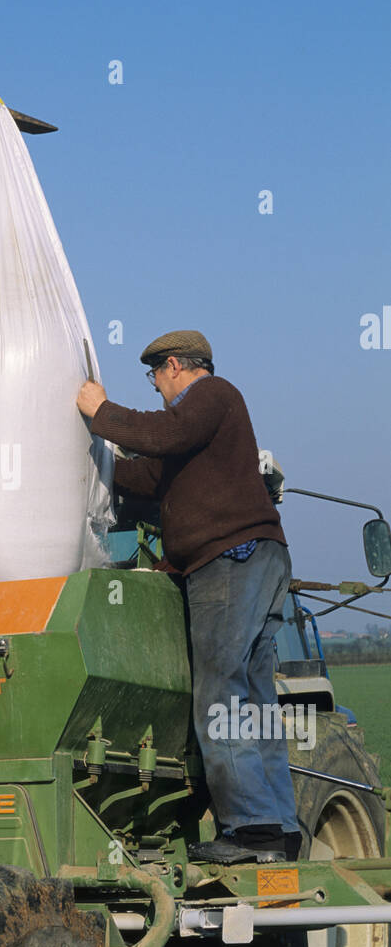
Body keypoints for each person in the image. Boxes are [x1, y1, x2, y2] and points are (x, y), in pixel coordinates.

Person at [77, 329, 300, 863]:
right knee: (255, 699)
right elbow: (149, 474)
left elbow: (162, 433)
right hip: (257, 557)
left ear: (175, 365)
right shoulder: (201, 435)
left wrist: (99, 411)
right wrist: (95, 469)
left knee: (220, 695)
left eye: (154, 377)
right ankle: (278, 830)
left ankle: (249, 830)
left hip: (230, 561)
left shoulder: (212, 397)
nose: (155, 388)